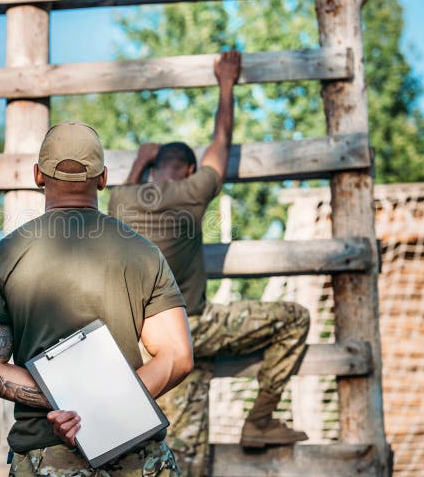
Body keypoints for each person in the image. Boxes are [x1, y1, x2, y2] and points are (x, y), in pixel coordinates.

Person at [109, 51, 311, 474]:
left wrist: (140, 161)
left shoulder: (121, 201)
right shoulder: (193, 191)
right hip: (195, 326)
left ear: (153, 169)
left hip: (150, 343)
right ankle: (259, 420)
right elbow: (221, 142)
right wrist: (226, 82)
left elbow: (123, 195)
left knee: (184, 447)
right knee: (294, 318)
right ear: (187, 169)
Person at [0, 122, 194, 476]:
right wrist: (104, 409)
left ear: (38, 175)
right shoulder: (144, 252)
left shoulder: (3, 255)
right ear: (102, 178)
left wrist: (74, 408)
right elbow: (177, 356)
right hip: (137, 458)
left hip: (47, 458)